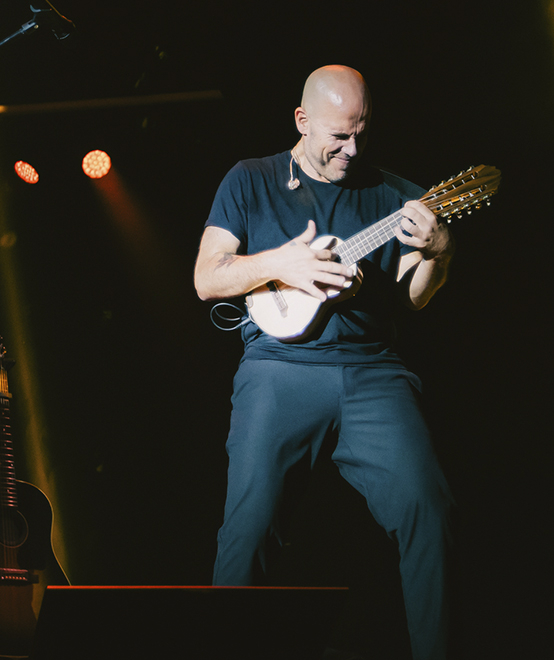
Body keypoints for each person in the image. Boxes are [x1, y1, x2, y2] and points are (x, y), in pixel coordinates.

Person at [194, 65, 456, 660]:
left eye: (361, 132)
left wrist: (439, 253)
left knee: (429, 507)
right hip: (279, 367)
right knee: (249, 527)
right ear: (302, 121)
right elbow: (207, 279)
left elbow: (415, 295)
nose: (352, 148)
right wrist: (282, 264)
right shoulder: (251, 180)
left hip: (372, 370)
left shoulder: (393, 194)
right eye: (339, 136)